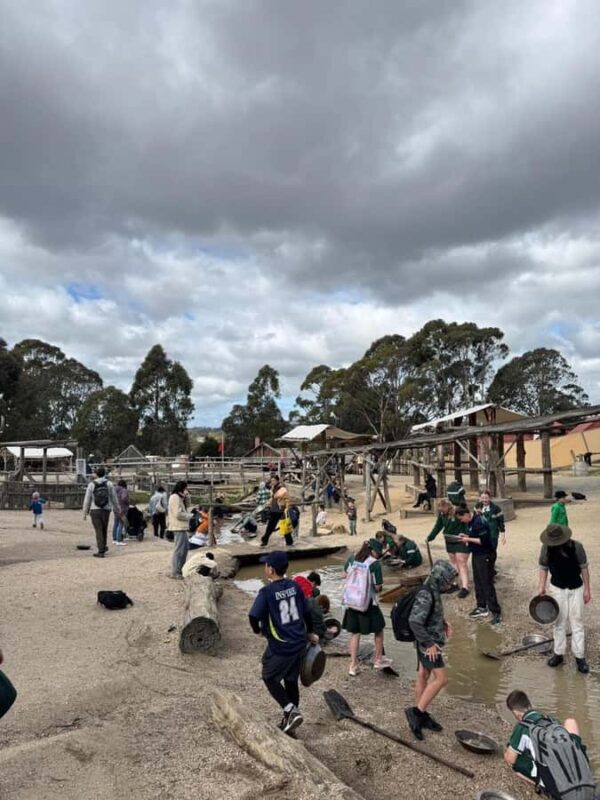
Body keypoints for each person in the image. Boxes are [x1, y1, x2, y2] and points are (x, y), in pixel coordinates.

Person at [248, 551, 318, 735]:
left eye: (266, 565)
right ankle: (290, 725)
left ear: (270, 569)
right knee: (290, 679)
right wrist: (310, 632)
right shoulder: (294, 586)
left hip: (282, 645)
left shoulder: (267, 591)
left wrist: (258, 631)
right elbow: (307, 611)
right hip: (299, 641)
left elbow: (253, 615)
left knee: (269, 676)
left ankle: (289, 710)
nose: (265, 567)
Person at [504, 690, 595, 799]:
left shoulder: (522, 726)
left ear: (516, 713)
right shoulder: (552, 720)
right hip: (587, 784)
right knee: (570, 721)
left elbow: (510, 759)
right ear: (530, 704)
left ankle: (541, 786)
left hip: (561, 791)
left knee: (516, 765)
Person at [405, 559, 458, 741]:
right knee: (442, 679)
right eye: (448, 581)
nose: (450, 584)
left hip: (426, 641)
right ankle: (417, 713)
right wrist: (429, 644)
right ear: (440, 578)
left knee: (423, 674)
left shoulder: (432, 588)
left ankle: (422, 713)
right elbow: (414, 621)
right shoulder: (426, 594)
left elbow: (430, 613)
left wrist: (443, 622)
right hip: (429, 645)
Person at [538, 524, 591, 674]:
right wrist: (541, 586)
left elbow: (584, 568)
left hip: (576, 588)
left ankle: (579, 657)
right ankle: (558, 653)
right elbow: (543, 567)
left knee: (577, 622)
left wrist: (587, 590)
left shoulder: (577, 547)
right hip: (557, 589)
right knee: (558, 622)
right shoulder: (546, 548)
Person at [343, 539, 392, 676]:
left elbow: (344, 575)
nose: (378, 555)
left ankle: (353, 665)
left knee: (355, 632)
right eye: (377, 552)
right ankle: (378, 659)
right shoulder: (374, 564)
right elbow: (377, 587)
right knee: (379, 629)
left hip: (352, 602)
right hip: (368, 603)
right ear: (372, 551)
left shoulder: (353, 558)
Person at [457, 506, 502, 625]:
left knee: (487, 583)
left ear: (467, 514)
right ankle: (481, 606)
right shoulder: (471, 522)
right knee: (478, 581)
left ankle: (496, 612)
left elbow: (483, 541)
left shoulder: (478, 522)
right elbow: (473, 537)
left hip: (485, 555)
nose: (462, 521)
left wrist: (468, 539)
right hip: (476, 554)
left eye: (461, 518)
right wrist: (466, 537)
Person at [426, 499, 470, 598]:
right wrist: (430, 537)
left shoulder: (457, 512)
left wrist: (468, 537)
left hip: (460, 540)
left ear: (447, 506)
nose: (441, 511)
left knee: (461, 562)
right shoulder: (442, 515)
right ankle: (458, 583)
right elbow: (438, 526)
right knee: (454, 563)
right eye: (439, 510)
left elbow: (466, 523)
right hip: (449, 540)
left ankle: (465, 587)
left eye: (442, 509)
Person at [83, 466, 119, 558]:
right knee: (104, 529)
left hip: (95, 510)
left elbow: (87, 499)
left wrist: (85, 512)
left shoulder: (92, 484)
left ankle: (101, 550)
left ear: (96, 474)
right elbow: (114, 498)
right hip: (106, 509)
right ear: (104, 474)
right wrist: (117, 508)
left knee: (98, 529)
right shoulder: (109, 484)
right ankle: (103, 546)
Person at [475, 490, 506, 574]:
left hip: (492, 534)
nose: (484, 500)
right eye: (482, 498)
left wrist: (503, 534)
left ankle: (491, 569)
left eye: (486, 498)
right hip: (480, 534)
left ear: (490, 498)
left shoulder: (496, 508)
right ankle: (484, 569)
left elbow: (500, 522)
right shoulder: (477, 506)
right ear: (480, 498)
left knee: (492, 552)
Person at [168, 480, 192, 579]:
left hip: (182, 527)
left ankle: (181, 570)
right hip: (178, 526)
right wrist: (190, 516)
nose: (187, 490)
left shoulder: (180, 498)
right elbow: (177, 514)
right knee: (179, 550)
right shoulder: (174, 497)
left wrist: (187, 496)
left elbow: (188, 505)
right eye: (186, 488)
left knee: (185, 549)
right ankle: (175, 572)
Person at [259, 477, 289, 547]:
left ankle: (289, 541)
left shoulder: (281, 488)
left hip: (281, 510)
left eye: (274, 480)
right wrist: (269, 503)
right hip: (274, 509)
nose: (272, 482)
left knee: (284, 526)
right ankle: (265, 540)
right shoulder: (273, 488)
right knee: (270, 526)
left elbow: (283, 497)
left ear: (277, 481)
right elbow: (272, 498)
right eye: (271, 480)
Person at [113, 479, 129, 546]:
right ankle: (119, 539)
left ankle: (114, 539)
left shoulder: (114, 490)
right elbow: (124, 498)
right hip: (122, 509)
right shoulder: (124, 490)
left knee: (116, 523)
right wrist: (128, 502)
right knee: (121, 523)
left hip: (115, 508)